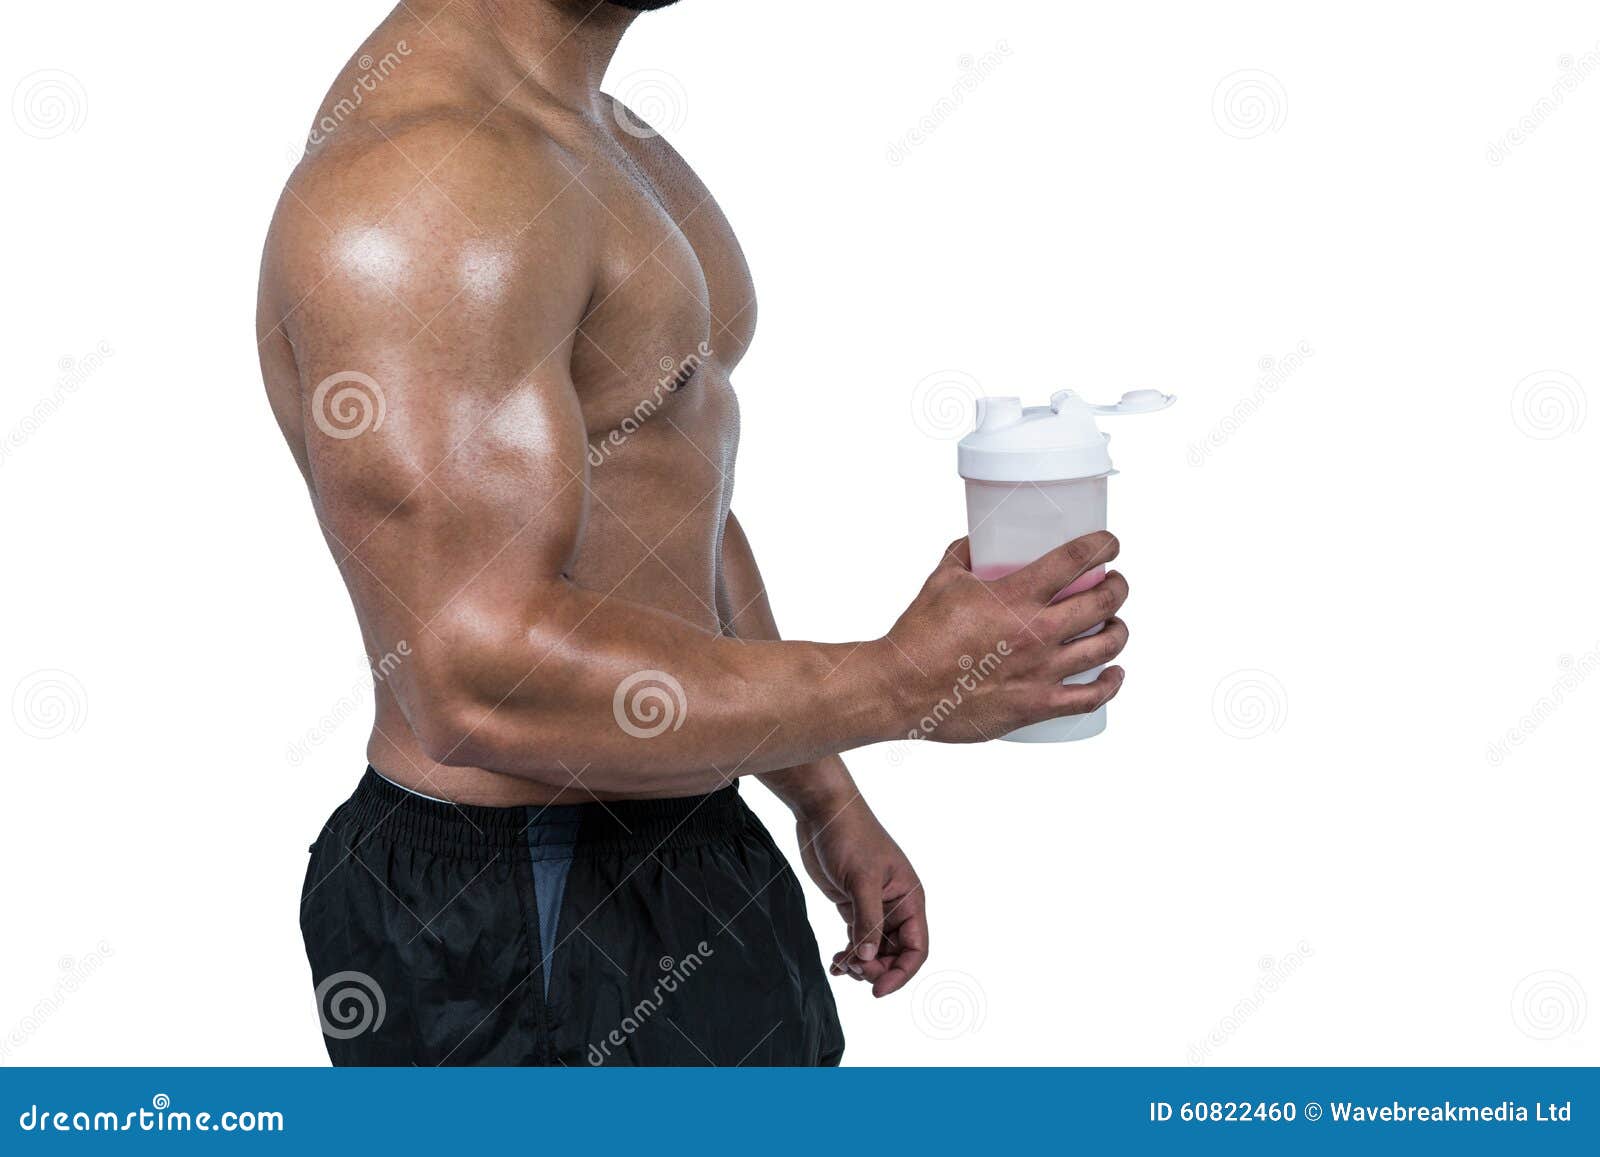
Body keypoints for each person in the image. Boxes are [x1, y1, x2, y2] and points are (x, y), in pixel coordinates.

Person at [256, 0, 1128, 1066]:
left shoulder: (603, 133)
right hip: (519, 898)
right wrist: (900, 683)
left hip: (692, 834)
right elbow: (474, 675)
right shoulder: (426, 183)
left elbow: (669, 501)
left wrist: (821, 785)